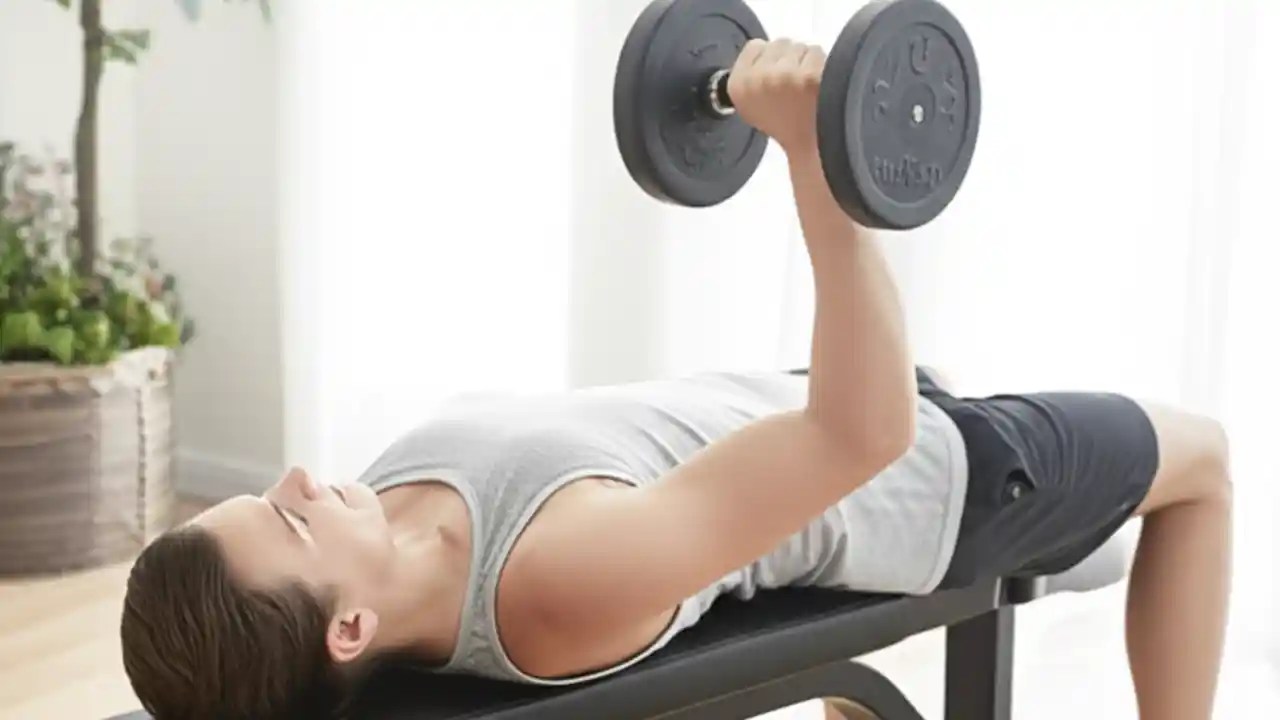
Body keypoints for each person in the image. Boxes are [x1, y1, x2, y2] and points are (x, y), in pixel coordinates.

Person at [119, 39, 1232, 720]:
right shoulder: (559, 582)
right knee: (1203, 463)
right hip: (942, 477)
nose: (304, 477)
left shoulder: (375, 522)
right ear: (348, 631)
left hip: (818, 394)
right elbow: (862, 437)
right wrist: (810, 153)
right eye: (287, 518)